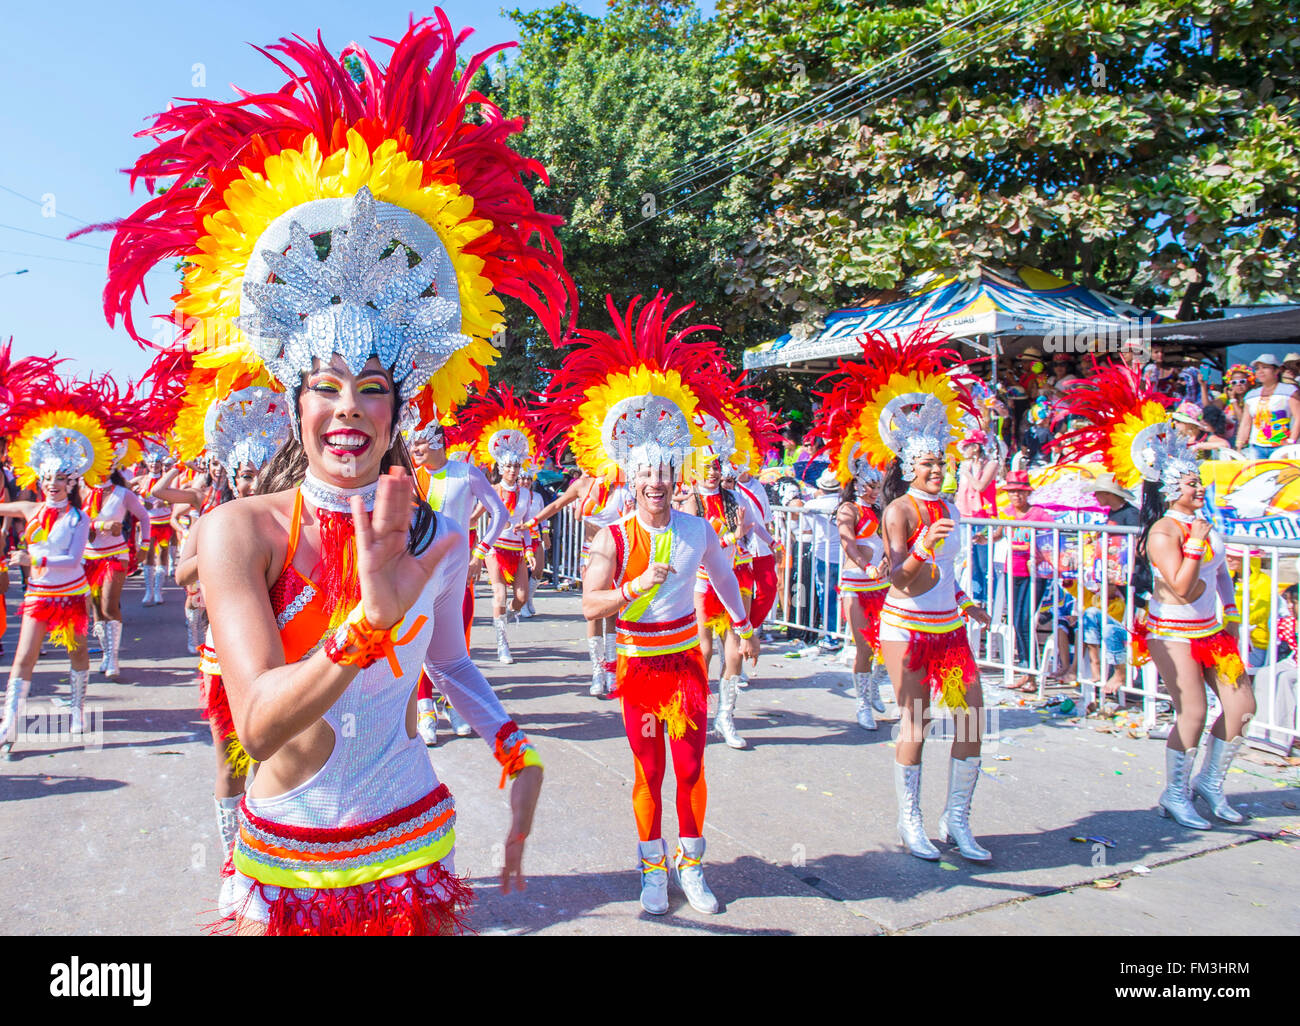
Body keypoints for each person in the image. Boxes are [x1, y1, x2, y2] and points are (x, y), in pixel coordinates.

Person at [95, 16, 572, 933]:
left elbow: (451, 660)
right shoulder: (241, 531)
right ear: (292, 400)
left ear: (403, 407)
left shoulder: (432, 529)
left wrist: (514, 748)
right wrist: (362, 627)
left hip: (413, 840)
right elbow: (260, 725)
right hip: (291, 862)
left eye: (370, 389)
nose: (348, 408)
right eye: (326, 386)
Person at [579, 293, 756, 915]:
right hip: (638, 666)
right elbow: (589, 606)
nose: (657, 482)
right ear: (631, 475)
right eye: (646, 473)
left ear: (676, 473)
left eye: (665, 471)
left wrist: (742, 624)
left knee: (691, 767)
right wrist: (633, 587)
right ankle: (652, 869)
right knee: (648, 769)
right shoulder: (615, 534)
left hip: (684, 663)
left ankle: (692, 865)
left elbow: (725, 577)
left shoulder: (698, 528)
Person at [1055, 362, 1254, 828]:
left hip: (1212, 631)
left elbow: (1217, 574)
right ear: (1169, 489)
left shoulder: (1203, 524)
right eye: (1190, 483)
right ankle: (1174, 792)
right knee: (1194, 711)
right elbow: (1182, 586)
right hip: (1173, 631)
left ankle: (1211, 782)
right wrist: (1197, 546)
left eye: (1199, 482)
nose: (1199, 488)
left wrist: (1227, 607)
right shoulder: (1163, 530)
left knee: (1243, 708)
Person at [0, 382, 122, 754]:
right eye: (48, 478)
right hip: (39, 596)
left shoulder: (79, 518)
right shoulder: (28, 510)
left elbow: (72, 558)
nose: (53, 485)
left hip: (70, 595)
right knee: (24, 658)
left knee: (78, 653)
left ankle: (79, 710)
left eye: (60, 479)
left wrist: (31, 559)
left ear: (71, 483)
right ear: (40, 479)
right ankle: (8, 724)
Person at [406, 414, 507, 742]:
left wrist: (480, 553)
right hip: (418, 578)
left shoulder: (465, 473)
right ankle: (425, 710)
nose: (414, 446)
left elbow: (499, 514)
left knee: (455, 646)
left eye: (420, 439)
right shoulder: (411, 478)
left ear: (437, 440)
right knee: (418, 641)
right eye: (412, 440)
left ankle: (454, 705)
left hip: (456, 577)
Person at [458, 387, 543, 666]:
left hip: (517, 550)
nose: (513, 471)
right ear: (500, 467)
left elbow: (527, 525)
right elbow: (474, 517)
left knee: (519, 598)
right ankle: (502, 643)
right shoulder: (492, 489)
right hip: (494, 548)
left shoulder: (528, 494)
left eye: (517, 467)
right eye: (509, 467)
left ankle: (505, 616)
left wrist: (530, 549)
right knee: (499, 593)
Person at [993, 470, 1048, 690]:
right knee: (1016, 620)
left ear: (1027, 494)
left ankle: (1031, 672)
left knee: (1025, 620)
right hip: (1011, 570)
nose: (1016, 496)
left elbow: (1050, 540)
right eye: (1012, 492)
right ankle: (1026, 668)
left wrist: (1038, 555)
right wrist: (983, 536)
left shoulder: (1039, 514)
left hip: (1033, 574)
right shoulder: (1006, 512)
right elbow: (997, 533)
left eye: (1020, 492)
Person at [956, 431, 998, 606]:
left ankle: (989, 600)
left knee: (984, 563)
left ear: (975, 447)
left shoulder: (991, 464)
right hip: (964, 517)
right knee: (967, 560)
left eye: (967, 446)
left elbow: (981, 487)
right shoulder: (965, 465)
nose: (964, 450)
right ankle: (973, 599)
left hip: (983, 518)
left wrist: (968, 473)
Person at [1236, 354, 1300, 458]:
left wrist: (1291, 442)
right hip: (1256, 447)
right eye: (1257, 369)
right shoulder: (1251, 395)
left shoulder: (1289, 391)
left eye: (1265, 367)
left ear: (1276, 370)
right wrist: (1239, 444)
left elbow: (1298, 418)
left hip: (1281, 447)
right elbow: (1246, 423)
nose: (1260, 371)